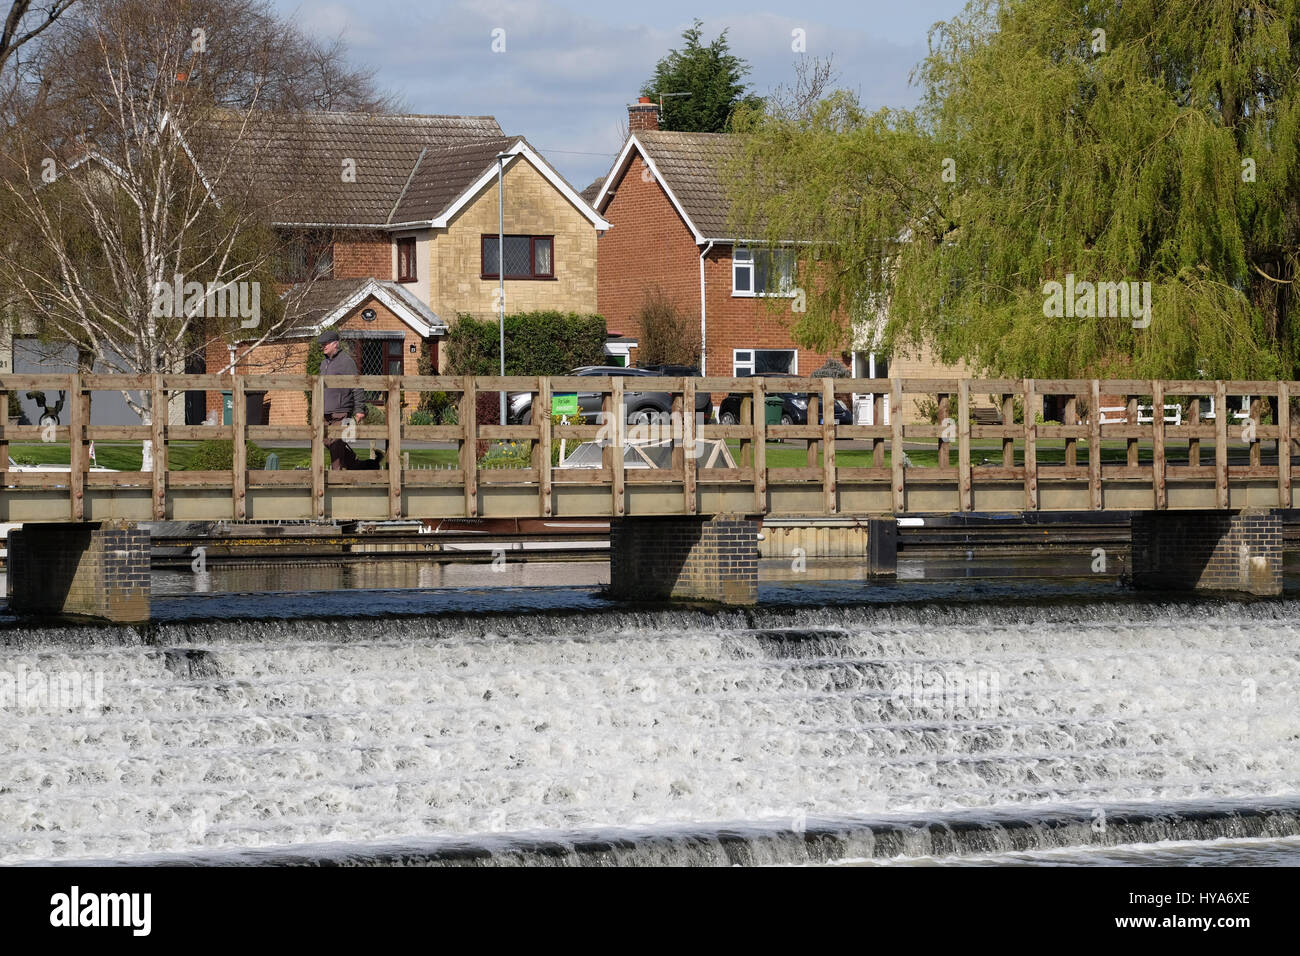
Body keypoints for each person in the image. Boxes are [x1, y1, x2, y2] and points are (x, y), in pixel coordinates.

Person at [319, 330, 383, 470]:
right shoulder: (324, 363)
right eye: (322, 344)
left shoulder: (346, 362)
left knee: (336, 444)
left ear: (335, 344)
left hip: (341, 411)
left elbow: (357, 385)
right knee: (326, 441)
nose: (323, 346)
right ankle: (359, 465)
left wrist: (359, 410)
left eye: (326, 343)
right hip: (325, 411)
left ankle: (338, 478)